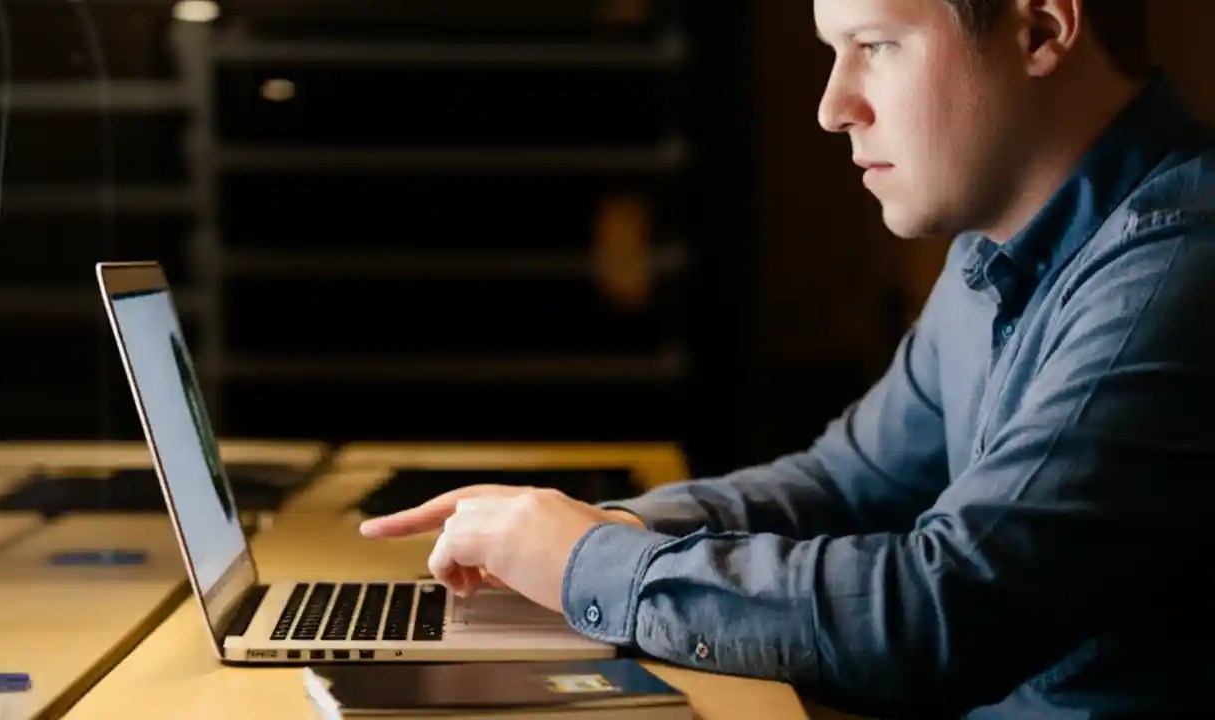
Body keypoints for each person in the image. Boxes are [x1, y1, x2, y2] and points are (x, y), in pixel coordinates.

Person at [360, 0, 1215, 715]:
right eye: (832, 52)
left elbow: (948, 610)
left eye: (876, 46)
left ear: (1039, 29)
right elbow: (846, 485)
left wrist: (593, 568)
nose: (833, 105)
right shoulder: (999, 242)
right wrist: (605, 532)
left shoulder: (1177, 268)